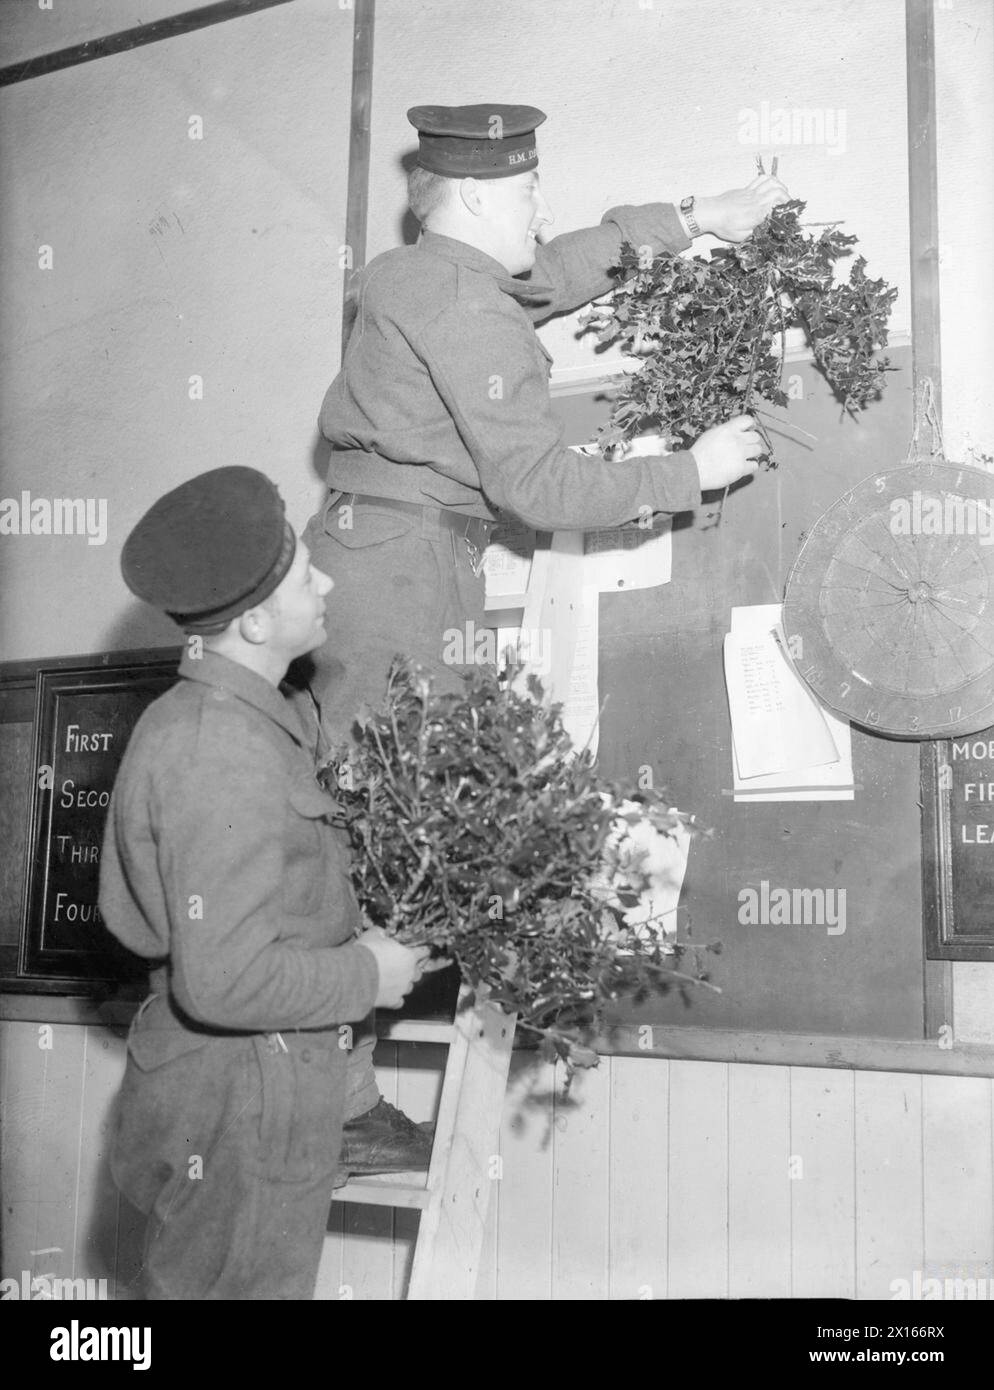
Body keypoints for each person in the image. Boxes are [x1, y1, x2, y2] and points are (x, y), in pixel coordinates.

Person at [292, 103, 791, 1164]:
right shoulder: (465, 313)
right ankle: (329, 1102)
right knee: (384, 826)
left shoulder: (423, 271)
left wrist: (702, 215)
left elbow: (557, 268)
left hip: (395, 551)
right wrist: (685, 472)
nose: (539, 204)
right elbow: (533, 480)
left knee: (405, 813)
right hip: (401, 571)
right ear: (476, 196)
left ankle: (343, 1085)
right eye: (525, 190)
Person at [99, 465, 429, 1299]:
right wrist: (370, 976)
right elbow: (227, 980)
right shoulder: (222, 749)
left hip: (252, 1084)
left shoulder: (235, 721)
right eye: (300, 576)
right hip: (242, 1103)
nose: (324, 578)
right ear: (250, 622)